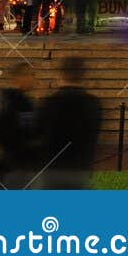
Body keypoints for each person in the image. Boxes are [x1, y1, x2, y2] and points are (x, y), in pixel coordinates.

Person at [37, 56, 102, 189]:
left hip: (52, 173)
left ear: (61, 74)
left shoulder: (49, 104)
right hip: (80, 171)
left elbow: (39, 138)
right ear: (82, 74)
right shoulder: (93, 104)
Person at [0, 62, 38, 189]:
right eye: (30, 75)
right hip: (16, 166)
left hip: (10, 164)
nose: (33, 79)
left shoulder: (6, 100)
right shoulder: (20, 103)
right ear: (19, 77)